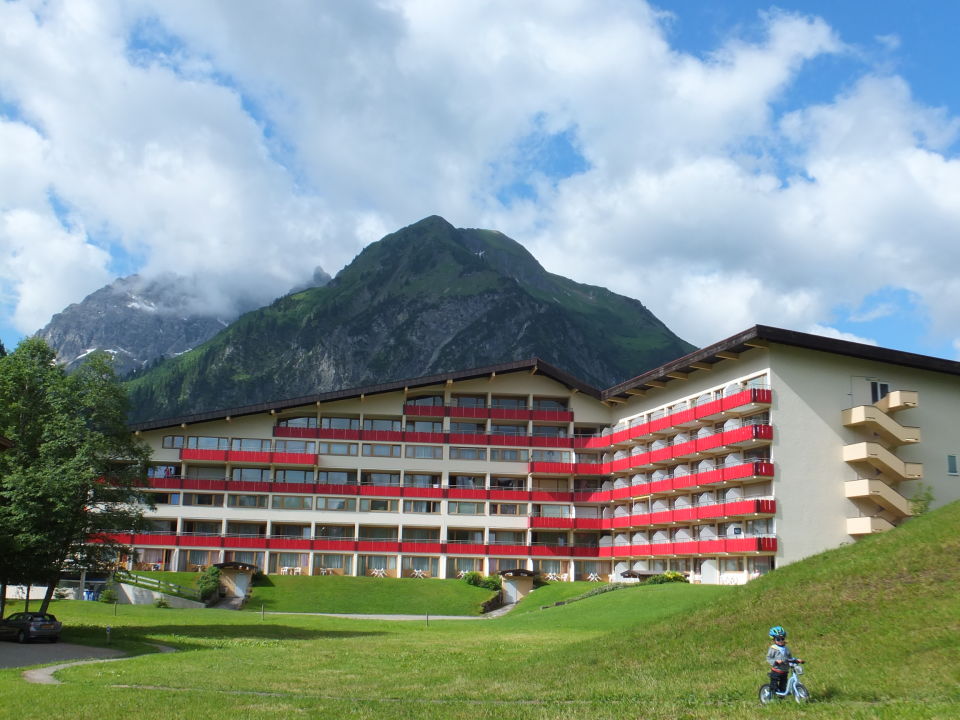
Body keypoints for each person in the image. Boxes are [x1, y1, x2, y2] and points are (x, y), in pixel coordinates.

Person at [766, 625, 803, 696]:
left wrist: (796, 660)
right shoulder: (773, 648)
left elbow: (790, 658)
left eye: (782, 638)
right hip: (776, 671)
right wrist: (776, 661)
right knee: (774, 685)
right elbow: (769, 658)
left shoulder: (786, 648)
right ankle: (771, 697)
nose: (781, 641)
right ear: (774, 640)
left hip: (785, 671)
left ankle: (781, 697)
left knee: (783, 685)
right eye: (778, 639)